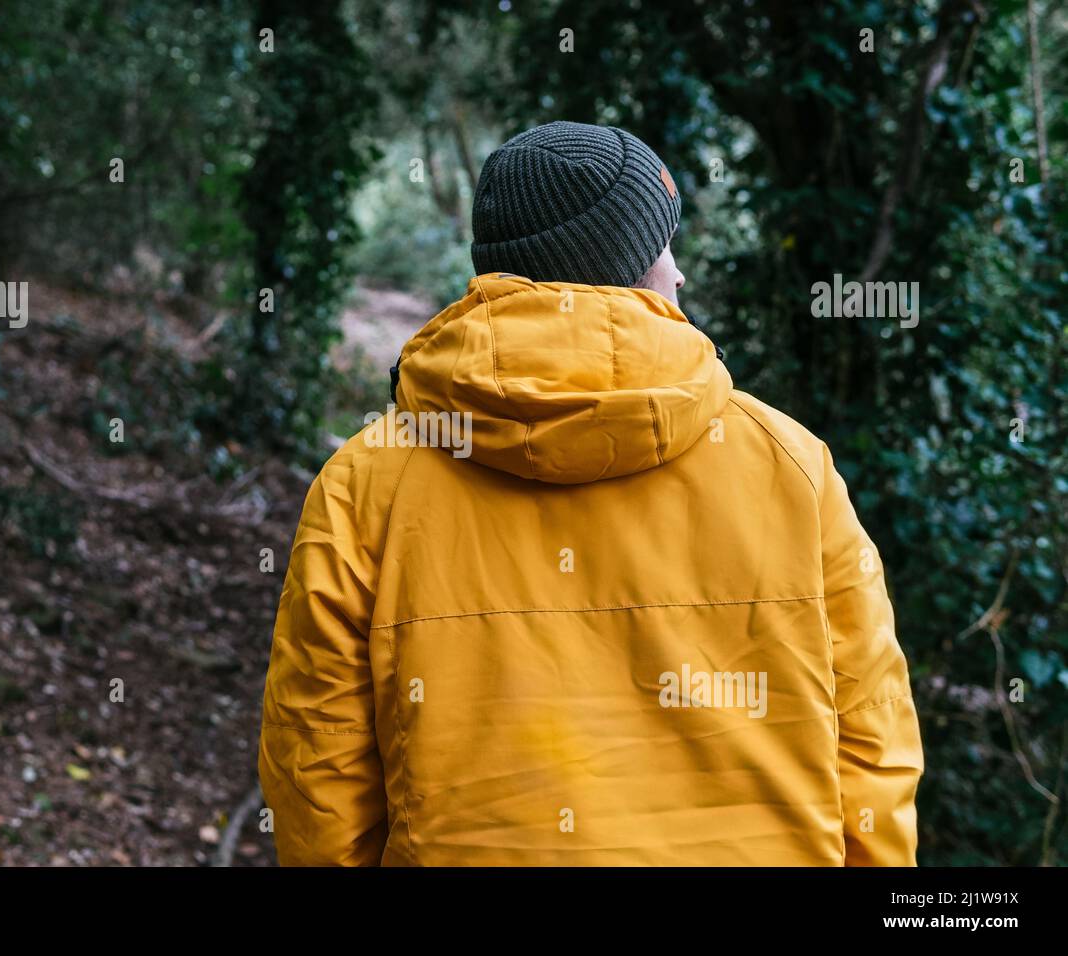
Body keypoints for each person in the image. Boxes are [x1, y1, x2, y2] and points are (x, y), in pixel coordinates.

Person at [257, 120, 924, 866]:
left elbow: (318, 774)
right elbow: (874, 749)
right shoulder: (794, 469)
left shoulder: (364, 484)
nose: (679, 275)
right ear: (627, 265)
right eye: (662, 246)